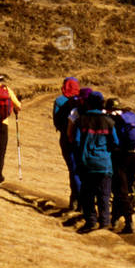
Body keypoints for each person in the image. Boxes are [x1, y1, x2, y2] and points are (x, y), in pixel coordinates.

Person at [68, 90, 115, 233]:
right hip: (104, 163)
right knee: (104, 195)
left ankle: (91, 221)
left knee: (87, 194)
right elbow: (115, 142)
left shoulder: (81, 120)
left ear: (88, 103)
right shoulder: (109, 121)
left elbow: (75, 141)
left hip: (87, 163)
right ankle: (105, 222)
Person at [107, 97, 135, 234]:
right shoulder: (131, 115)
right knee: (125, 186)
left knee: (121, 189)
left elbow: (113, 140)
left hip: (122, 155)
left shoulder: (112, 120)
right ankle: (115, 217)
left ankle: (129, 221)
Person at [52, 77, 82, 210]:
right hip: (84, 141)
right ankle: (83, 200)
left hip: (66, 138)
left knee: (73, 169)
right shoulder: (84, 101)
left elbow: (56, 121)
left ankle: (75, 198)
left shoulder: (59, 101)